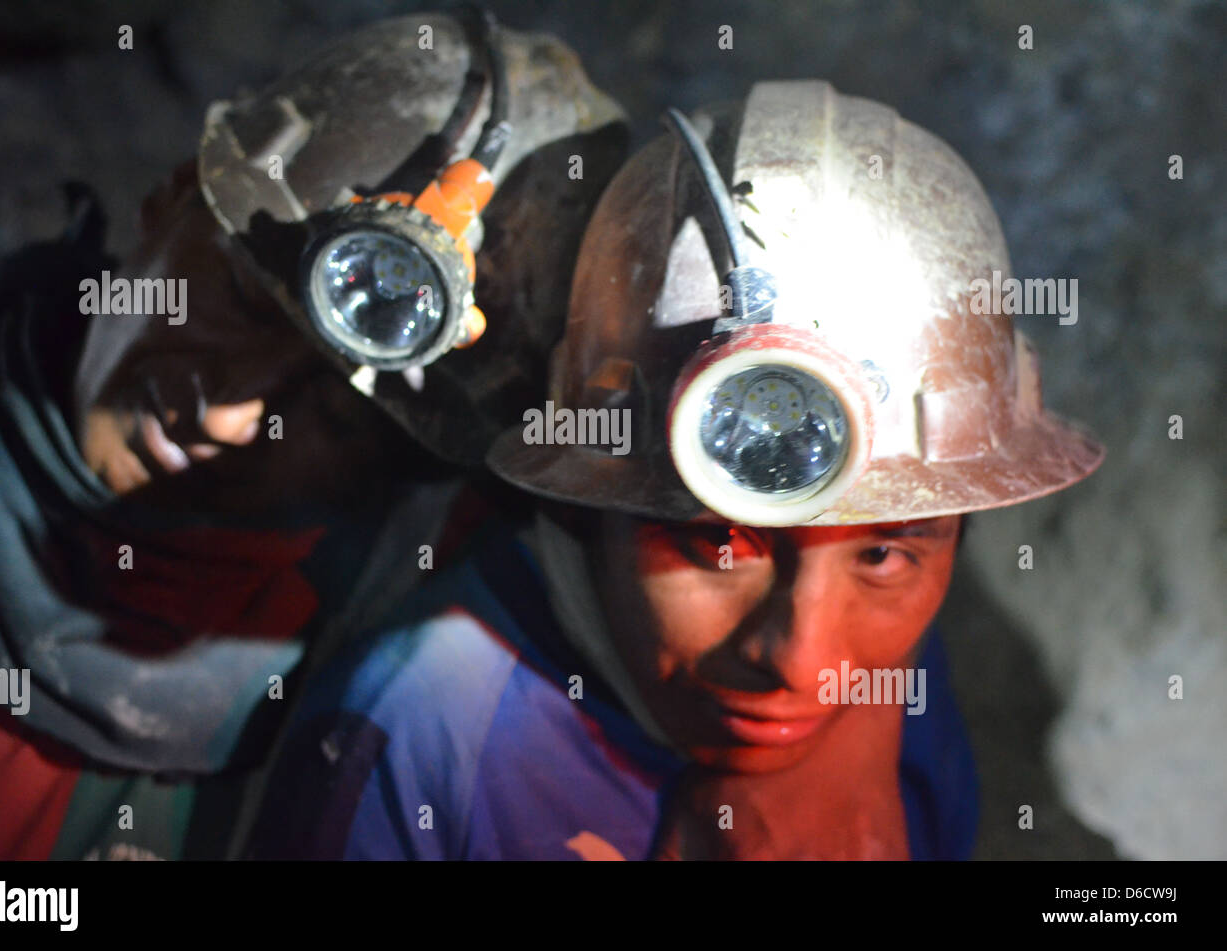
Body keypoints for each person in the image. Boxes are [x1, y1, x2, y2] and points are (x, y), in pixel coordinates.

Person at [247, 80, 1104, 860]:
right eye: (717, 546)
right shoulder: (419, 737)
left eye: (881, 553)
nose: (802, 662)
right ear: (585, 508)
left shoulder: (886, 673)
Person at [0, 10, 626, 860]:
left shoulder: (403, 690)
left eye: (333, 414)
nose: (224, 415)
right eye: (244, 302)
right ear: (173, 195)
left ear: (394, 471)